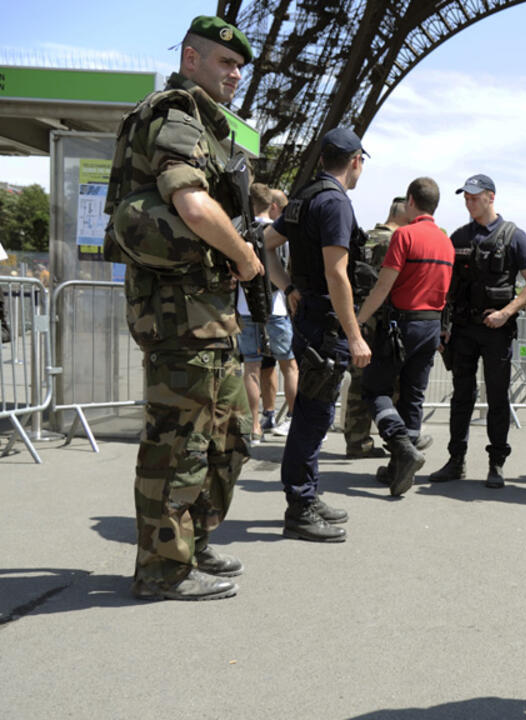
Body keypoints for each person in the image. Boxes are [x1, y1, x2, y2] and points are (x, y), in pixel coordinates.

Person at [102, 16, 262, 601]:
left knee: (229, 437)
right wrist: (245, 255)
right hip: (180, 315)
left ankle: (191, 543)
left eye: (240, 66)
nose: (236, 74)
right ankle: (162, 570)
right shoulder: (175, 115)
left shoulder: (205, 125)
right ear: (190, 59)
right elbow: (193, 207)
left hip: (208, 316)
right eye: (225, 62)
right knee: (178, 446)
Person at [263, 126, 374, 543]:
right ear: (356, 161)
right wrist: (355, 333)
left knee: (314, 411)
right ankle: (300, 504)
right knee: (314, 415)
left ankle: (306, 494)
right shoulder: (336, 204)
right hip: (326, 323)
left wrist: (288, 287)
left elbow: (266, 244)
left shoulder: (305, 198)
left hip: (307, 314)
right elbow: (337, 273)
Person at [430, 174, 526, 489]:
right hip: (464, 330)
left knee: (497, 397)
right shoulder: (459, 237)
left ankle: (496, 463)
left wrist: (506, 313)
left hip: (496, 330)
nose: (469, 202)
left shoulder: (513, 236)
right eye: (465, 197)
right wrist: (443, 329)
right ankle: (456, 460)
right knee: (461, 397)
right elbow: (446, 287)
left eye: (474, 197)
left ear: (490, 197)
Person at [356, 177, 453, 497]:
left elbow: (382, 287)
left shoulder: (405, 235)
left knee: (374, 388)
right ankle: (400, 467)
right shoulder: (445, 242)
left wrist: (357, 321)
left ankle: (399, 444)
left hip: (402, 324)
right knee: (413, 394)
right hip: (430, 325)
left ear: (410, 201)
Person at [344, 195, 412, 458]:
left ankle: (357, 440)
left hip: (355, 316)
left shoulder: (362, 239)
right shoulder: (395, 241)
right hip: (381, 320)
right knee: (388, 383)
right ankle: (397, 439)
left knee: (358, 380)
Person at [237, 183, 296, 445]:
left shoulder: (239, 231)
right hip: (277, 304)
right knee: (289, 365)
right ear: (270, 204)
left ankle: (254, 424)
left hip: (245, 305)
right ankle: (294, 420)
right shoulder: (278, 233)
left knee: (251, 366)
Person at [259, 187, 296, 436]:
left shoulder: (277, 234)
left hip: (273, 305)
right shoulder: (280, 234)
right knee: (273, 363)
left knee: (280, 363)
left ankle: (288, 416)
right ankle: (273, 414)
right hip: (276, 305)